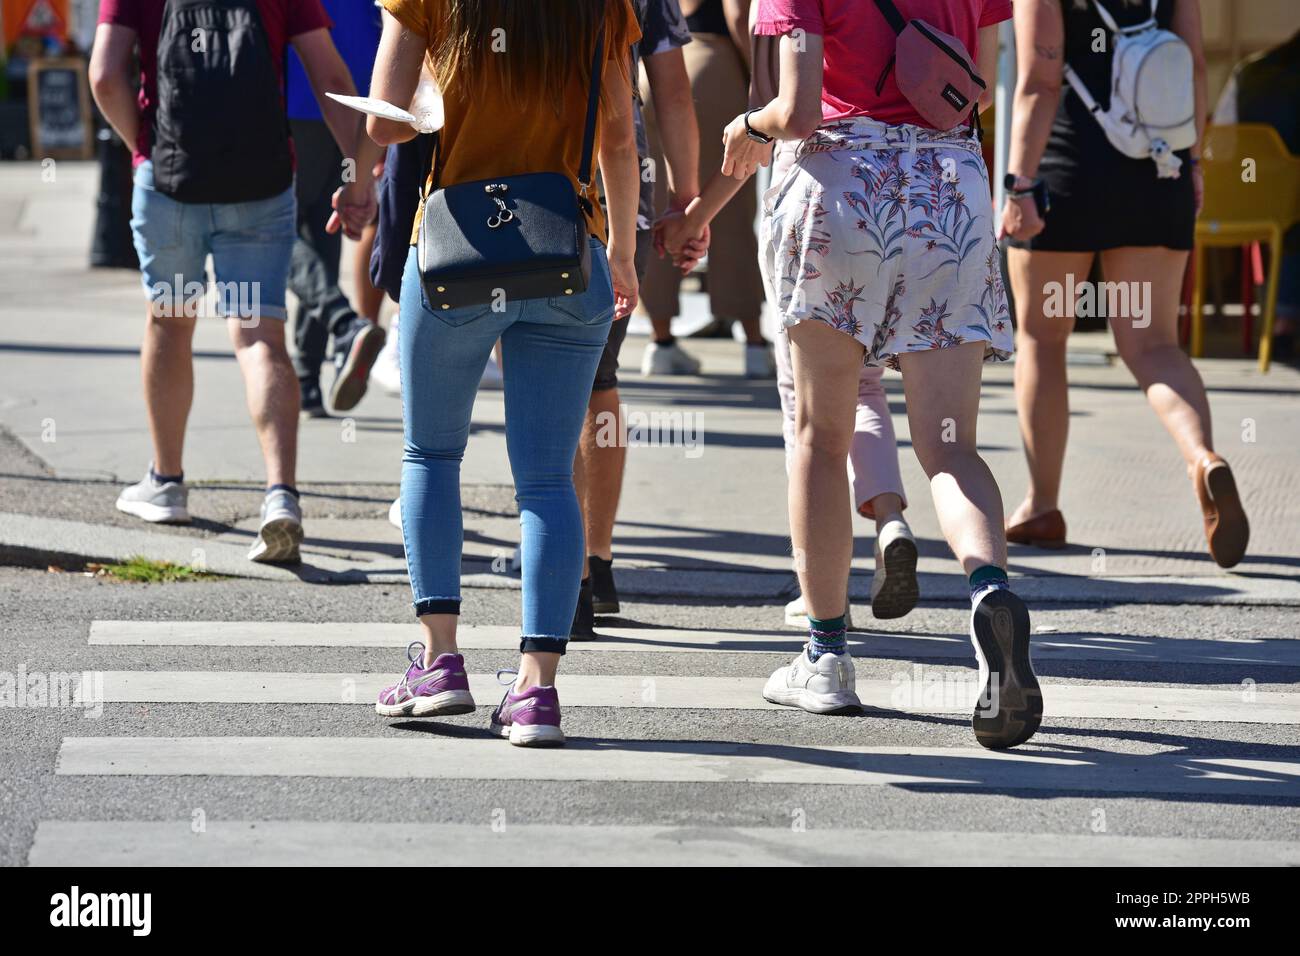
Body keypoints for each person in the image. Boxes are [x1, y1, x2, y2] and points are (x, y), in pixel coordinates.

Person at [729, 0, 1040, 749]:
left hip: (841, 187)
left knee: (821, 437)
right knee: (951, 447)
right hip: (950, 188)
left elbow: (798, 110)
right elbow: (982, 86)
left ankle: (826, 654)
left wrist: (748, 130)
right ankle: (989, 589)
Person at [368, 0, 641, 747]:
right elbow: (618, 130)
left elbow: (386, 120)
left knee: (431, 452)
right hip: (566, 248)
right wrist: (620, 250)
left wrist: (441, 82)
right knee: (549, 478)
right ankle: (536, 694)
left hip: (458, 251)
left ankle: (440, 661)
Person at [91, 0, 380, 564]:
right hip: (261, 185)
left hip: (172, 184)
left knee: (171, 324)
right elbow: (332, 76)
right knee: (259, 337)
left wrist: (144, 152)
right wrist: (358, 172)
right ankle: (280, 496)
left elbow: (104, 74)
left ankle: (167, 481)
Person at [658, 10, 918, 629]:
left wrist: (696, 216)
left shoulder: (781, 10)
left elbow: (770, 123)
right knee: (867, 385)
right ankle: (891, 520)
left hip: (819, 203)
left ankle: (818, 591)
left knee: (806, 414)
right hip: (919, 196)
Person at [1003, 0, 1248, 569]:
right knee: (1154, 345)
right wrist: (1190, 163)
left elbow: (1040, 79)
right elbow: (1190, 67)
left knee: (1043, 337)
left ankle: (1042, 505)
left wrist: (1018, 184)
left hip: (1065, 175)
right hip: (1156, 172)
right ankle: (1201, 457)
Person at [571, 0, 699, 634]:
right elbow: (672, 90)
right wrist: (687, 198)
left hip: (511, 186)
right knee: (598, 375)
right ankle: (597, 559)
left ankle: (566, 572)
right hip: (621, 190)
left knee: (545, 377)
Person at [640, 0, 775, 379]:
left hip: (650, 67)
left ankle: (661, 341)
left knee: (658, 205)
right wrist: (761, 79)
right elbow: (735, 15)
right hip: (711, 61)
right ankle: (753, 343)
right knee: (729, 207)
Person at [284, 0, 386, 418]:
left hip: (293, 92)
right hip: (357, 97)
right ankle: (307, 379)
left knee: (271, 232)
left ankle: (344, 323)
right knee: (321, 232)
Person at [1212, 28, 1300, 363]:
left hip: (1243, 201)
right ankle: (1285, 322)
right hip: (1288, 206)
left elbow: (1220, 145)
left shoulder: (1248, 70)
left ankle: (1283, 322)